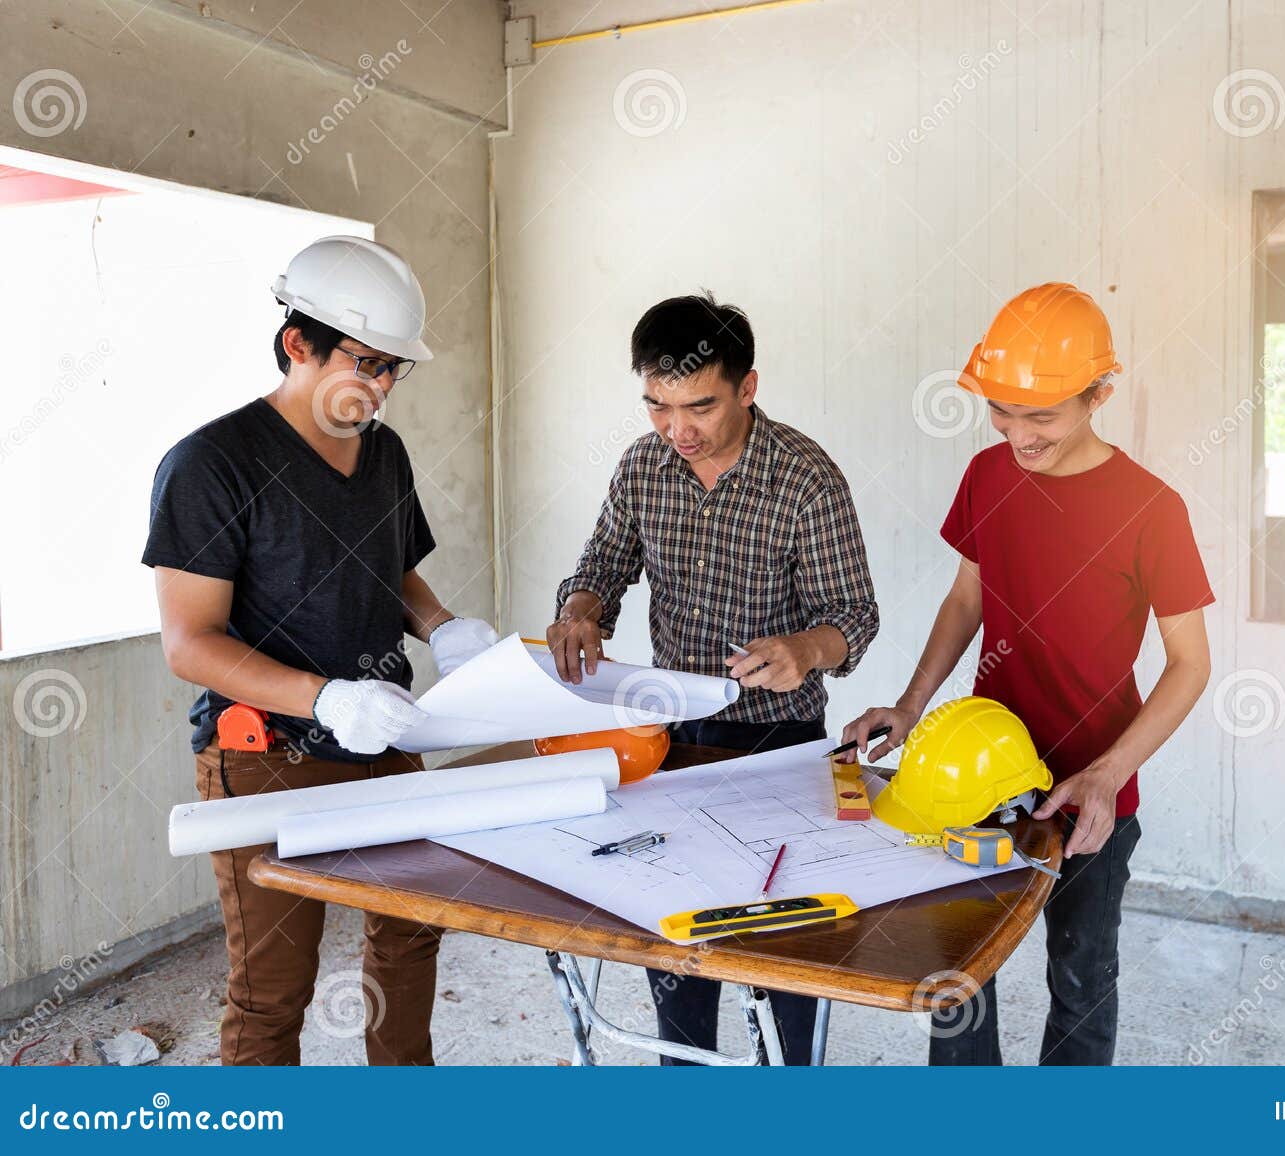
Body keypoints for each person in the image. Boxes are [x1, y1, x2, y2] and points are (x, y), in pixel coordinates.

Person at [142, 236, 499, 1065]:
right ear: (296, 343)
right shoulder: (211, 465)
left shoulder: (384, 452)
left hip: (388, 736)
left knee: (411, 944)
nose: (377, 387)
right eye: (364, 362)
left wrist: (442, 624)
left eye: (392, 369)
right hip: (270, 753)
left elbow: (393, 567)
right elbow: (190, 643)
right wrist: (327, 698)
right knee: (273, 991)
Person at [842, 283, 1214, 1066]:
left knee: (1080, 980)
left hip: (1092, 796)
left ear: (1099, 395)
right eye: (1001, 411)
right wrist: (911, 706)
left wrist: (1109, 775)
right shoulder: (988, 475)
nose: (1017, 434)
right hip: (981, 777)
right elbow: (966, 598)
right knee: (959, 973)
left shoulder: (1152, 509)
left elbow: (1190, 665)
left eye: (1039, 415)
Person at [546, 293, 879, 1064]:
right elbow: (603, 566)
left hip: (778, 741)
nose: (678, 430)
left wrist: (805, 647)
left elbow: (854, 616)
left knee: (782, 948)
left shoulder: (805, 479)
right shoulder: (643, 463)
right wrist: (582, 610)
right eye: (658, 407)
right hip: (668, 734)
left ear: (748, 388)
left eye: (699, 406)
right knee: (680, 938)